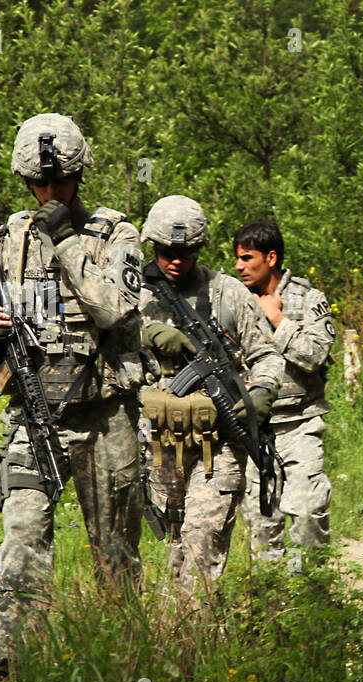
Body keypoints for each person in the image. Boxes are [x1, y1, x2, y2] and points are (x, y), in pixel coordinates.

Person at [0, 113, 148, 682]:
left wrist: (65, 240)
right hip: (33, 414)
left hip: (104, 416)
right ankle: (12, 663)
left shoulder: (116, 234)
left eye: (60, 181)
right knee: (22, 532)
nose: (49, 192)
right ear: (24, 181)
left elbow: (114, 309)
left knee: (114, 549)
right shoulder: (7, 238)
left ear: (79, 174)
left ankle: (125, 656)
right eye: (39, 183)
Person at [135, 196, 283, 592]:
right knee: (176, 547)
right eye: (166, 252)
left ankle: (195, 624)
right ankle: (179, 627)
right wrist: (143, 333)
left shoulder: (227, 293)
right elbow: (104, 347)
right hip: (162, 444)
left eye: (185, 253)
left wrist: (263, 390)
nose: (175, 261)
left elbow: (266, 354)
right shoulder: (134, 297)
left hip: (219, 445)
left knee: (202, 542)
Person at [232, 221, 335, 566]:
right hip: (253, 432)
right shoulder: (233, 300)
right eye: (238, 259)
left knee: (308, 513)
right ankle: (271, 596)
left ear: (271, 258)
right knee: (261, 527)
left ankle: (313, 589)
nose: (239, 266)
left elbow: (316, 355)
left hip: (300, 424)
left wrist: (278, 320)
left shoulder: (308, 299)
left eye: (247, 258)